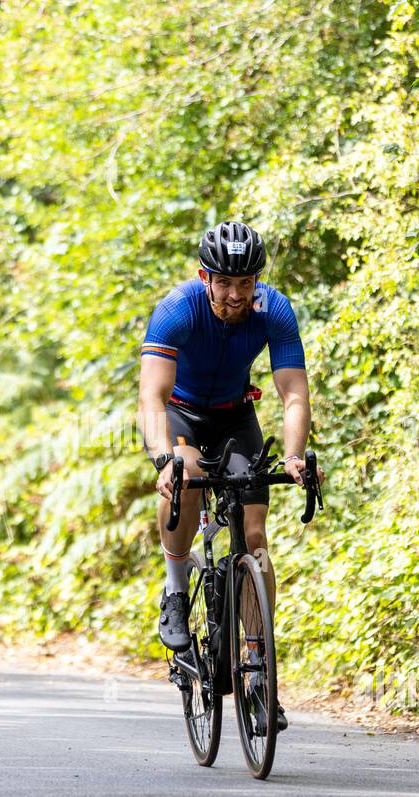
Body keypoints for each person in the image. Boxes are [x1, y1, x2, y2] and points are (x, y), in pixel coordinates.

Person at [138, 221, 323, 733]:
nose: (236, 294)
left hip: (235, 417)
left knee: (255, 532)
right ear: (205, 277)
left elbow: (293, 395)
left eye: (246, 283)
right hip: (182, 416)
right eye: (224, 282)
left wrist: (294, 456)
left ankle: (258, 666)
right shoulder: (178, 308)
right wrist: (163, 459)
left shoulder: (274, 309)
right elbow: (152, 396)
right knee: (188, 473)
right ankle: (176, 592)